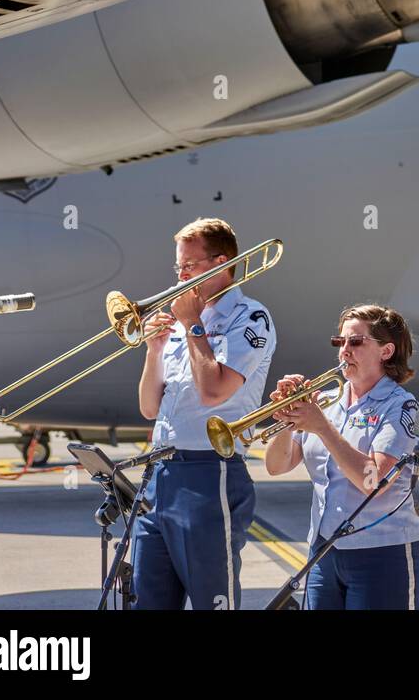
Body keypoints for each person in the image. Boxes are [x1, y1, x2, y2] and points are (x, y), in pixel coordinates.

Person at [131, 217, 276, 610]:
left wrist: (193, 323)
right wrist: (154, 349)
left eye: (189, 266)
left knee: (212, 599)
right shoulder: (181, 325)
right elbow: (149, 407)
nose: (180, 276)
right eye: (178, 266)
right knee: (148, 600)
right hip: (160, 474)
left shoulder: (249, 317)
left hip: (210, 471)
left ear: (221, 262)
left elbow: (214, 391)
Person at [265, 303, 419, 610]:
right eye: (340, 342)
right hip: (325, 549)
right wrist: (285, 419)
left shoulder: (402, 407)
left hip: (381, 551)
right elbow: (276, 465)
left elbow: (374, 482)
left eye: (356, 342)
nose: (344, 351)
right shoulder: (326, 401)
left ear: (386, 351)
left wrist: (322, 427)